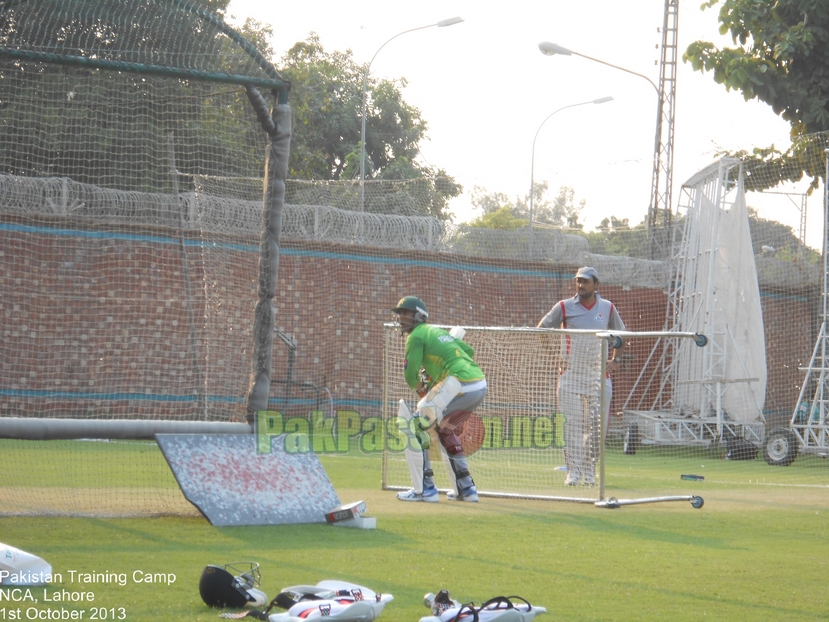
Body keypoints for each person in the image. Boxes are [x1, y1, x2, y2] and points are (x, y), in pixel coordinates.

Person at [390, 296, 487, 502]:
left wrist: (423, 391)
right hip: (478, 384)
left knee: (415, 426)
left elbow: (410, 376)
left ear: (418, 316)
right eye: (399, 314)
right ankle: (466, 489)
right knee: (443, 431)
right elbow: (468, 351)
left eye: (405, 313)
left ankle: (425, 489)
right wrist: (437, 372)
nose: (401, 318)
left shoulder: (416, 336)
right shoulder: (437, 331)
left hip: (457, 382)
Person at [537, 267, 626, 486]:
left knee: (596, 427)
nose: (581, 285)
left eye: (585, 281)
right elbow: (542, 329)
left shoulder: (608, 308)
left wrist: (616, 360)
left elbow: (621, 336)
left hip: (599, 377)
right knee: (572, 425)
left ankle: (589, 471)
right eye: (578, 281)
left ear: (596, 285)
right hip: (571, 377)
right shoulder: (564, 306)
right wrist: (554, 357)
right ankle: (573, 472)